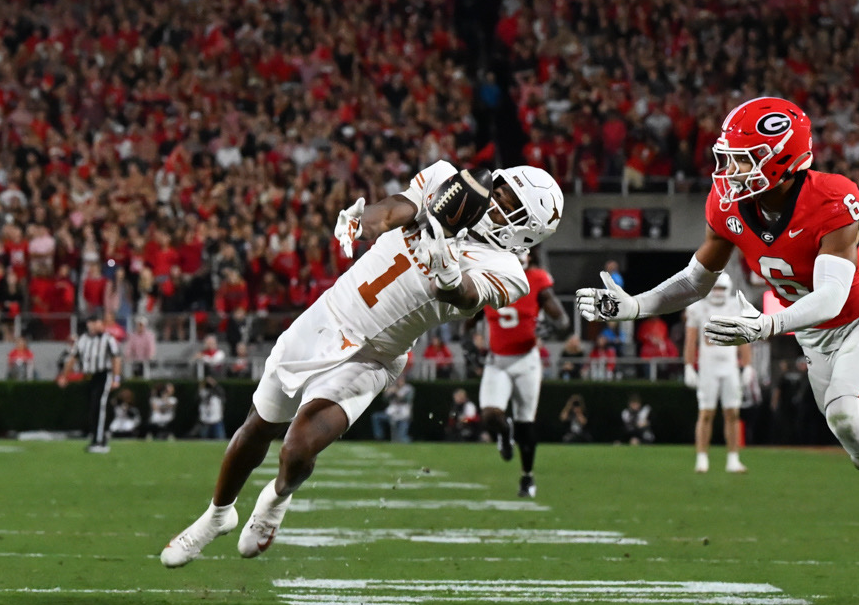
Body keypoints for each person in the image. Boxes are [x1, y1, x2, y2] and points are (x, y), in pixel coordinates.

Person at [576, 97, 859, 605]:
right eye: (731, 157)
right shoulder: (727, 203)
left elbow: (831, 296)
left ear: (784, 159)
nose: (732, 170)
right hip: (813, 337)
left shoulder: (833, 198)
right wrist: (634, 306)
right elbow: (697, 280)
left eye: (746, 158)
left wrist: (766, 325)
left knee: (849, 419)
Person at [160, 162, 562, 568]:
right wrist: (361, 221)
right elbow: (392, 209)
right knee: (257, 427)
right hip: (325, 319)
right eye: (501, 189)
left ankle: (277, 498)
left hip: (372, 356)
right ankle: (216, 515)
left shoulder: (511, 272)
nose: (495, 200)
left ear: (526, 228)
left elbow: (469, 295)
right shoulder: (449, 184)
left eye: (509, 202)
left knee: (297, 449)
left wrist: (449, 276)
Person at [478, 249, 569, 498]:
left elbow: (563, 321)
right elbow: (466, 320)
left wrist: (550, 329)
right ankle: (505, 434)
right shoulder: (488, 279)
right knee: (489, 416)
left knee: (525, 423)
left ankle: (527, 477)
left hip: (526, 360)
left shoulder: (537, 280)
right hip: (497, 360)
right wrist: (468, 345)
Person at [682, 273, 751, 473]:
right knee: (706, 413)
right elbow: (691, 338)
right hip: (708, 366)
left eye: (722, 289)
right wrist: (688, 365)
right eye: (715, 289)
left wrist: (747, 365)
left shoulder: (736, 306)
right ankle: (702, 458)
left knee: (732, 413)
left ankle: (733, 458)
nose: (718, 293)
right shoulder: (697, 307)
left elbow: (744, 336)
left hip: (729, 366)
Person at [56, 313, 122, 453]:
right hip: (89, 376)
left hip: (104, 374)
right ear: (90, 324)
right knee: (93, 407)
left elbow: (116, 359)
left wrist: (116, 378)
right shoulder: (83, 340)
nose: (99, 325)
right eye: (96, 322)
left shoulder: (108, 339)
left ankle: (99, 441)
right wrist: (64, 376)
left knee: (100, 406)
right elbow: (73, 358)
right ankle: (98, 437)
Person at [372, 374, 414, 443]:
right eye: (398, 380)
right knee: (376, 417)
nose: (399, 382)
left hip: (403, 416)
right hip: (391, 414)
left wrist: (396, 393)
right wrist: (387, 393)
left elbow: (406, 399)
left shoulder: (408, 389)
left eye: (401, 380)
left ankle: (408, 439)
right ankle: (379, 437)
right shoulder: (393, 388)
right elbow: (384, 400)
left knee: (400, 439)